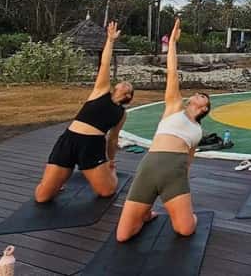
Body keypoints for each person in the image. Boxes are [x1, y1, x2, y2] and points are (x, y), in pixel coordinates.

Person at [116, 19, 212, 241]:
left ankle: (175, 212)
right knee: (123, 235)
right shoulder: (174, 106)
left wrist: (184, 182)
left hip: (175, 172)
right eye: (198, 94)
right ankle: (146, 214)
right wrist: (173, 44)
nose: (199, 95)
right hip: (150, 166)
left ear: (204, 107)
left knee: (186, 229)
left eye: (203, 97)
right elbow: (172, 71)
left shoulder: (197, 131)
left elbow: (189, 159)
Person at [35, 21, 133, 203]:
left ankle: (105, 173)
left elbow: (112, 139)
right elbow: (104, 64)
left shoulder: (121, 113)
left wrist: (110, 161)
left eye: (130, 87)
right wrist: (110, 40)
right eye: (123, 83)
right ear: (115, 88)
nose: (126, 84)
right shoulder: (101, 92)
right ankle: (58, 178)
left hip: (92, 146)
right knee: (42, 197)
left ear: (128, 95)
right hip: (69, 140)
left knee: (107, 191)